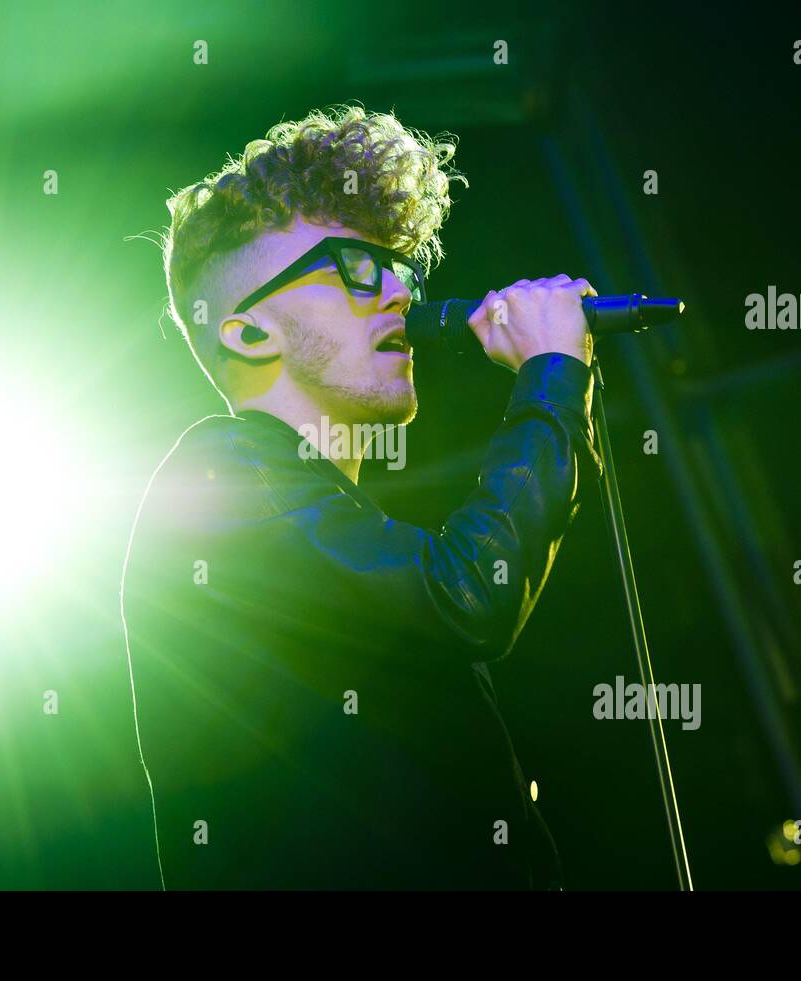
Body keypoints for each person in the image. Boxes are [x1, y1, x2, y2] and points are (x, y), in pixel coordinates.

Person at [121, 105, 601, 889]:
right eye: (352, 268)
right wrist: (550, 377)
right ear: (247, 333)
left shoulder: (338, 531)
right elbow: (471, 594)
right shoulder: (216, 481)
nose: (397, 297)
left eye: (398, 270)